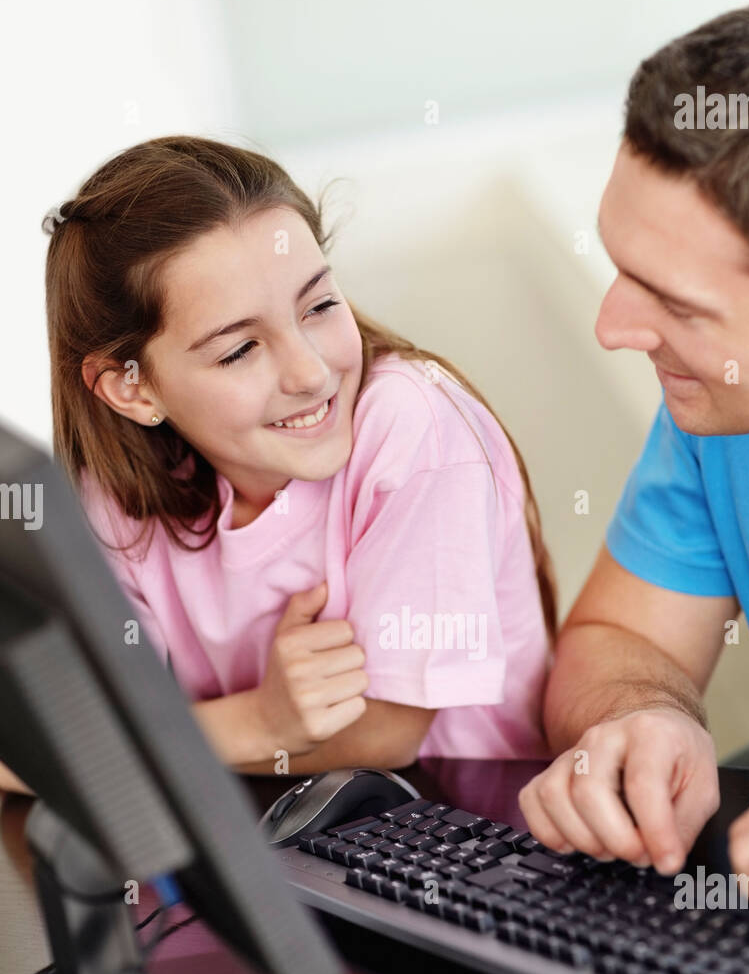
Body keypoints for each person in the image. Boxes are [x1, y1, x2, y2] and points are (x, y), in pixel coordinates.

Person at [0, 135, 558, 796]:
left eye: (319, 306)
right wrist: (260, 724)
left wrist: (182, 736)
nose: (311, 371)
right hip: (274, 832)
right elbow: (46, 741)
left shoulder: (412, 424)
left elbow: (386, 734)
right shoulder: (115, 494)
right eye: (239, 351)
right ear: (132, 388)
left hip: (468, 829)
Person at [518, 0, 749, 931]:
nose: (613, 327)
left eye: (676, 302)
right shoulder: (732, 411)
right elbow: (618, 644)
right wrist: (641, 717)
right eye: (621, 265)